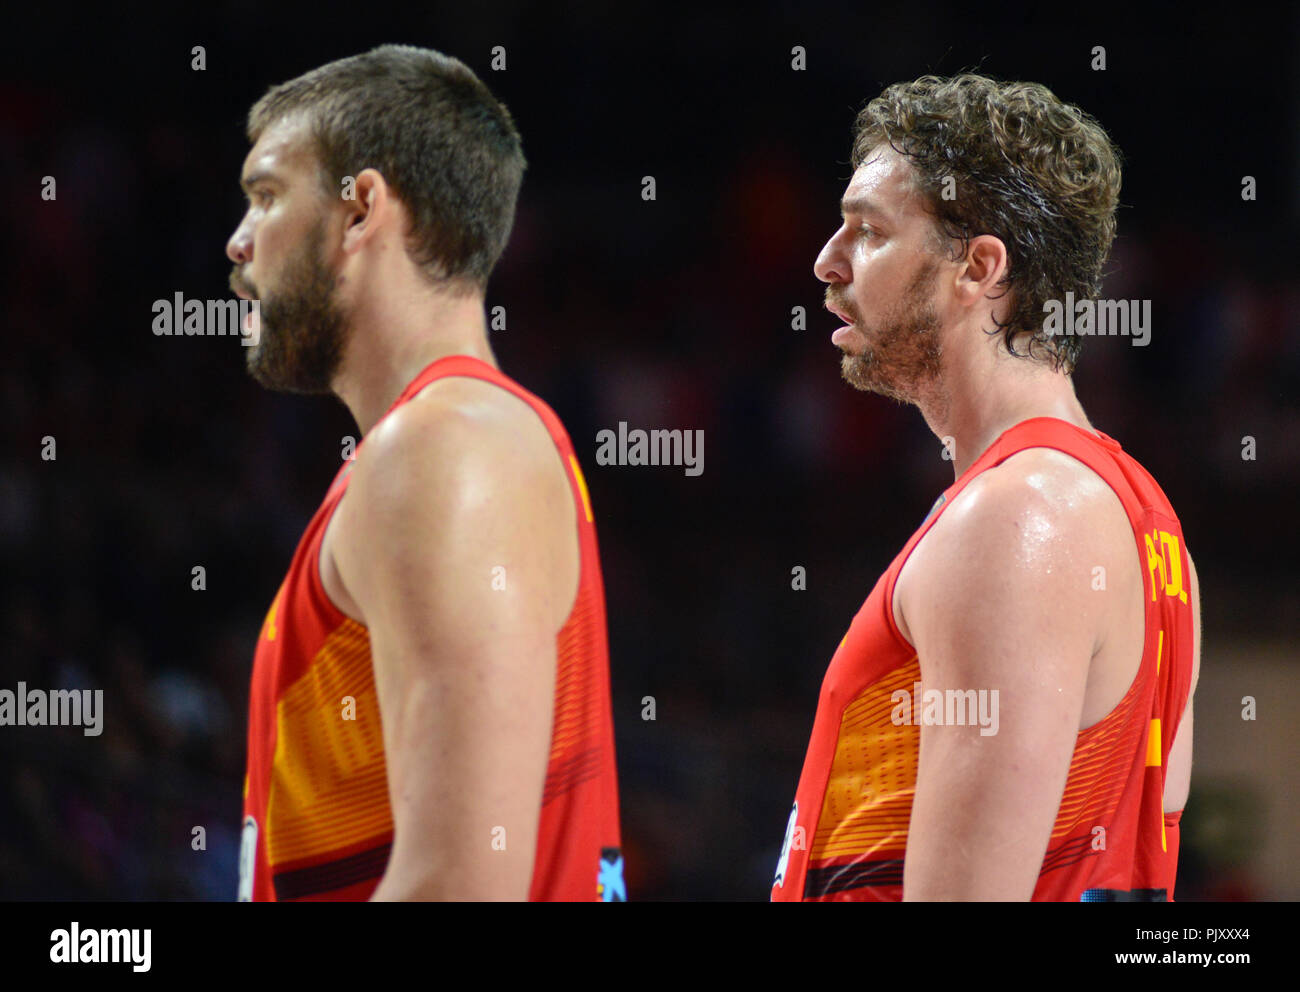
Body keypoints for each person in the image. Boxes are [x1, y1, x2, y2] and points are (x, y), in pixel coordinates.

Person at [771, 73, 1199, 901]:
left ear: (978, 266)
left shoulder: (1018, 519)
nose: (827, 259)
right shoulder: (1142, 513)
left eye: (868, 232)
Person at [227, 45, 622, 901]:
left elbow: (460, 884)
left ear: (360, 207)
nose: (238, 242)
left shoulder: (446, 446)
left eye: (264, 196)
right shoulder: (448, 442)